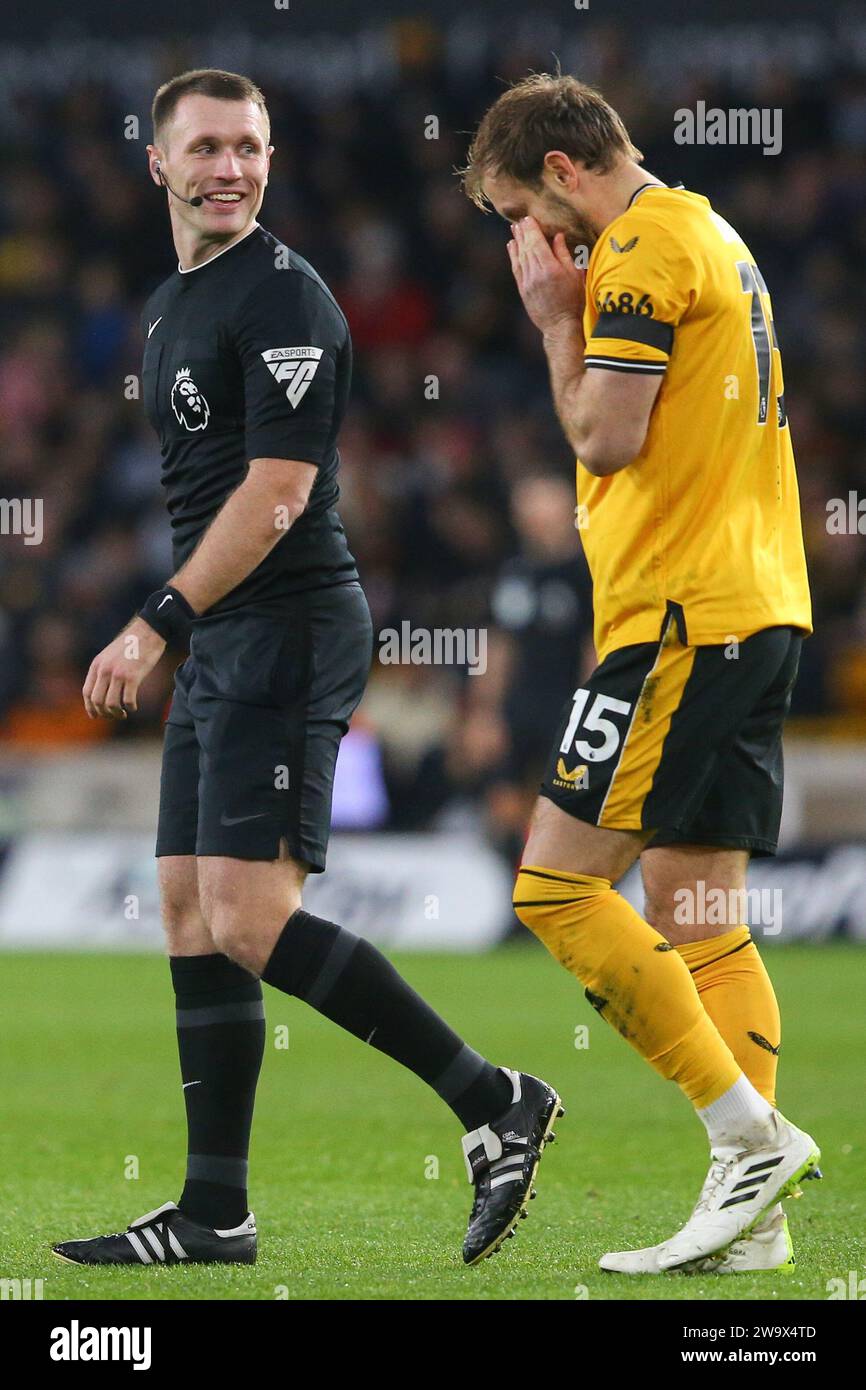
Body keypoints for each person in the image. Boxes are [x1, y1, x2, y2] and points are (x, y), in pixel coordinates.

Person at [52, 68, 560, 1271]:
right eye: (208, 147)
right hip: (226, 632)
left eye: (250, 147)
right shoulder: (172, 305)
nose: (231, 167)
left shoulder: (284, 298)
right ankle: (214, 1210)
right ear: (158, 166)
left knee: (246, 911)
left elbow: (278, 495)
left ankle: (492, 1099)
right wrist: (185, 624)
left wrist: (154, 622)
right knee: (186, 906)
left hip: (281, 626)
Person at [462, 72, 821, 1274]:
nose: (530, 244)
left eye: (522, 213)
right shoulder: (708, 229)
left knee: (555, 892)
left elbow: (606, 432)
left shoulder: (632, 252)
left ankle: (747, 1136)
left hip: (677, 612)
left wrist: (556, 323)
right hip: (751, 601)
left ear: (563, 171)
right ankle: (754, 1222)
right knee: (699, 909)